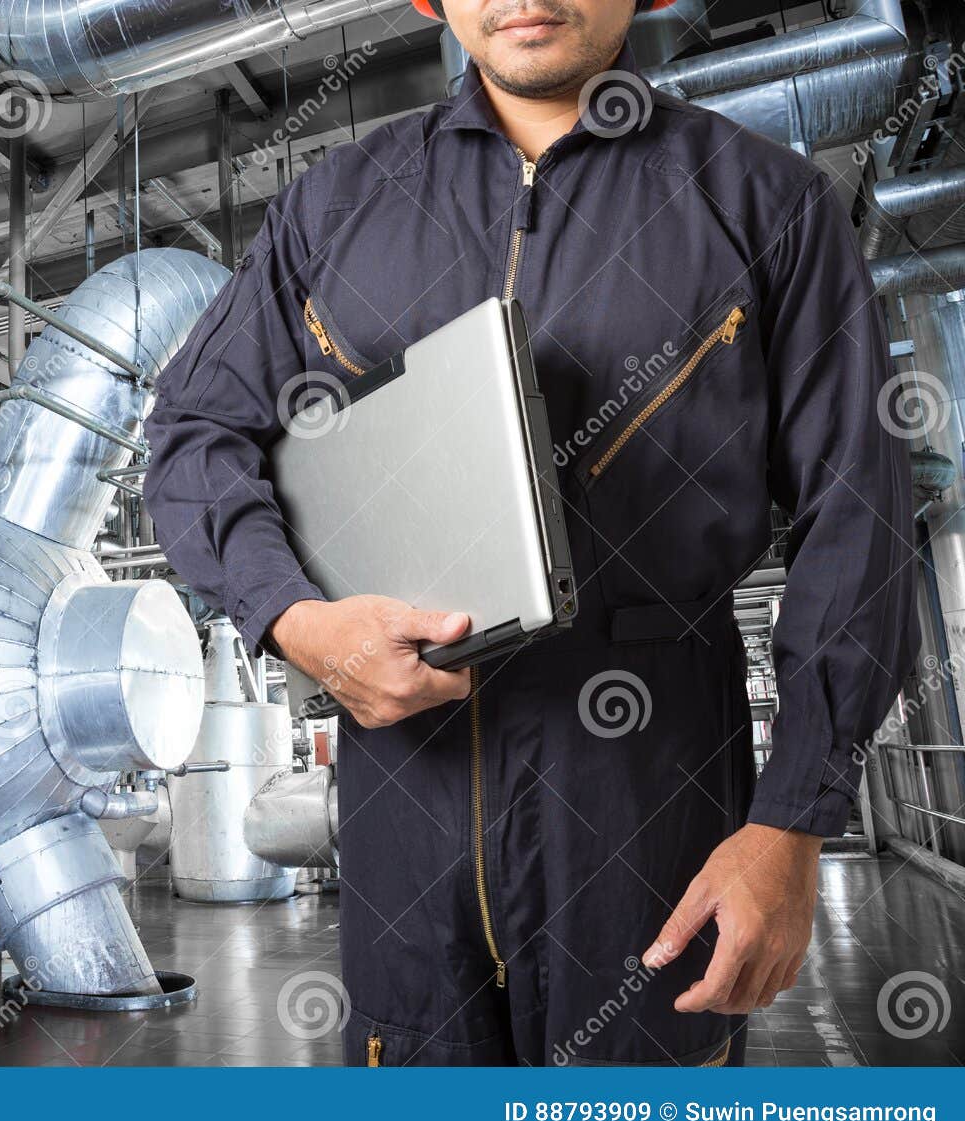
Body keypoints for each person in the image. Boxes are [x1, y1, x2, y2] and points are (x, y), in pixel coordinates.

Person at [143, 0, 916, 1065]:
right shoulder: (333, 209)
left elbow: (857, 512)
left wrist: (793, 819)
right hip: (401, 800)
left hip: (652, 787)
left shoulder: (766, 205)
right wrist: (291, 617)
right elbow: (193, 428)